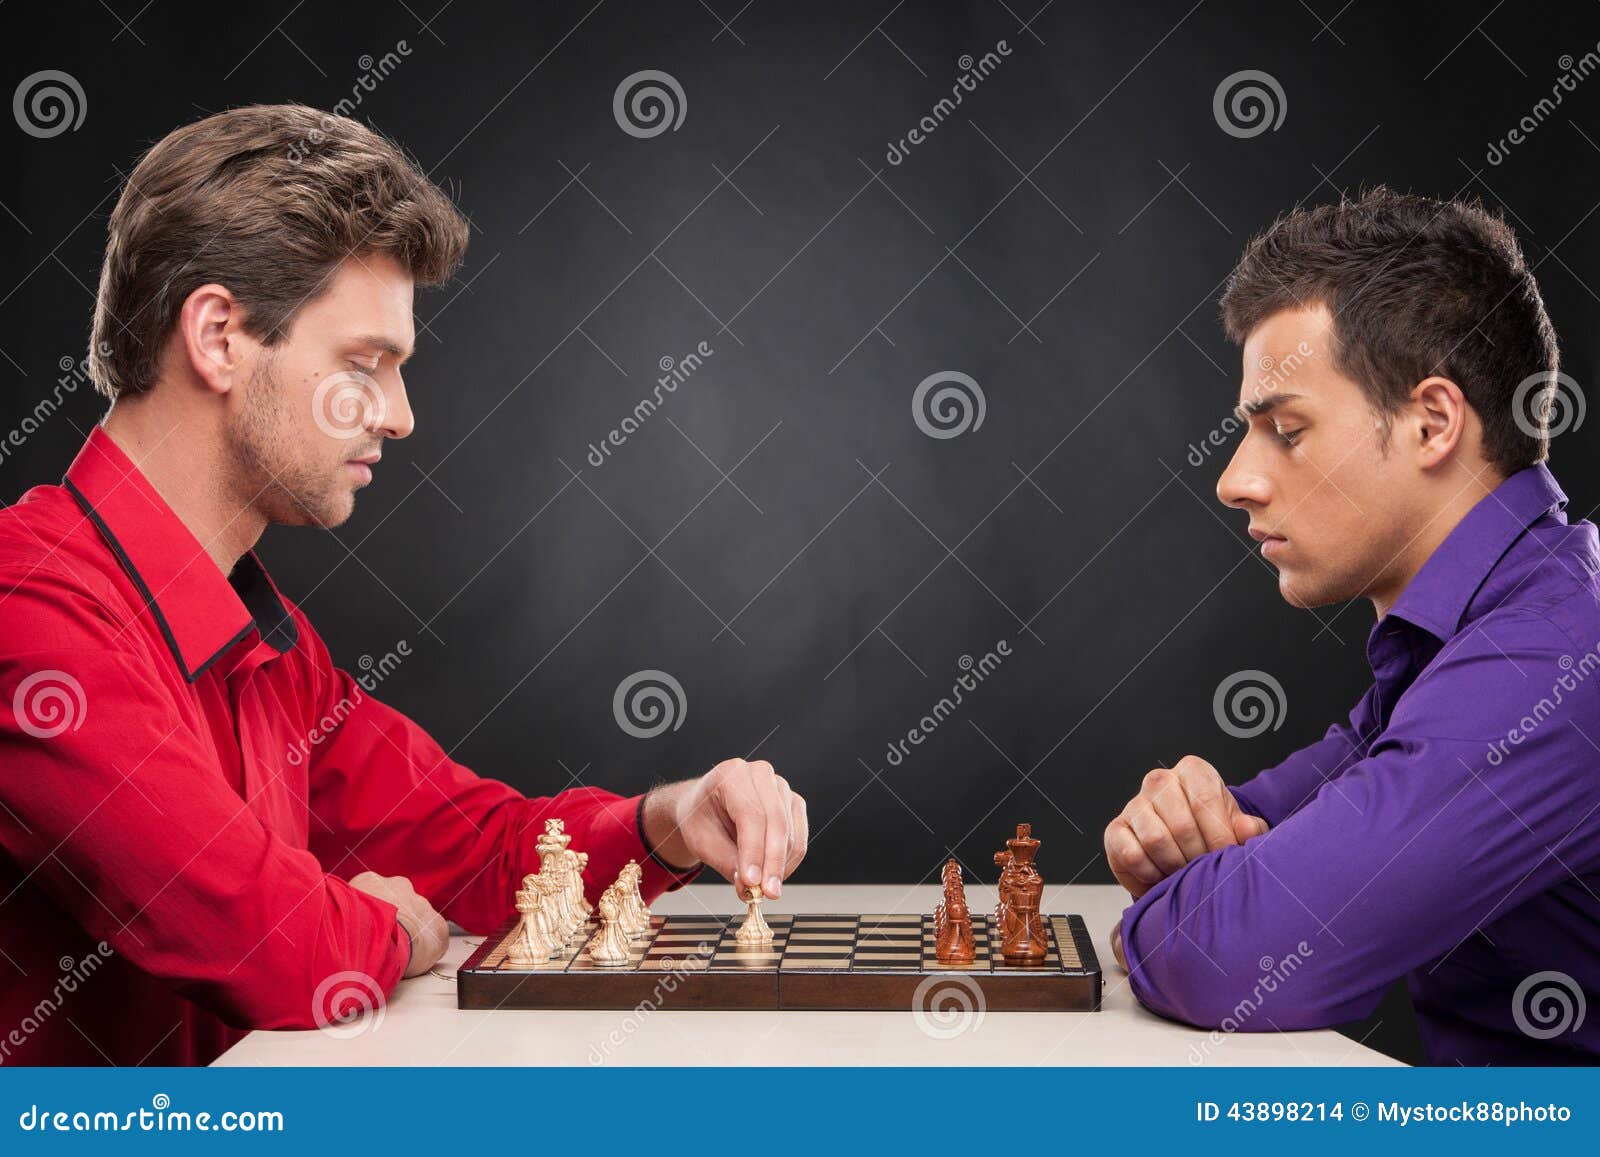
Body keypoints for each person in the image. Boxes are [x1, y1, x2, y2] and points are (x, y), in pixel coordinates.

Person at [0, 105, 807, 1066]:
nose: (402, 415)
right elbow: (265, 941)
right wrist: (389, 928)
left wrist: (670, 822)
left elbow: (491, 854)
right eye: (364, 364)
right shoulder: (30, 605)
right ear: (218, 336)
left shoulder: (267, 643)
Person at [1104, 188, 1600, 1065]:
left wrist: (1175, 905)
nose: (1234, 481)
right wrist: (1180, 836)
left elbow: (1234, 957)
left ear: (1431, 422)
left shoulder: (1555, 662)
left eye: (1286, 431)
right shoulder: (1460, 643)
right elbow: (1250, 830)